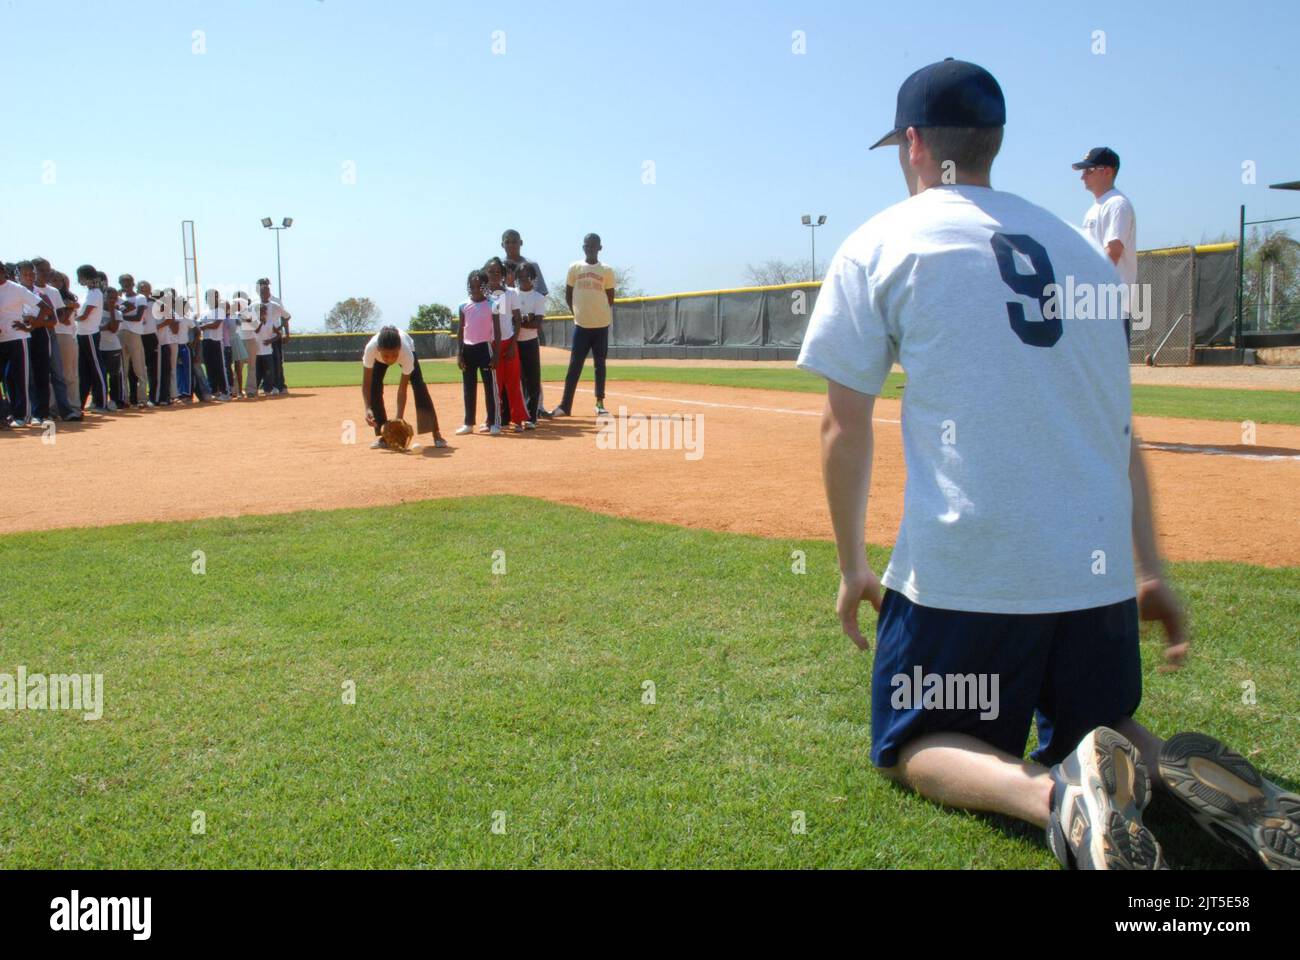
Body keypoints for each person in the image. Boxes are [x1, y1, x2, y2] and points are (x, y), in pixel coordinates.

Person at [797, 57, 1298, 871]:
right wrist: (1150, 569)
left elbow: (841, 426)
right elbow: (1120, 432)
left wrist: (854, 565)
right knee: (1099, 729)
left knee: (916, 739)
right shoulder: (1078, 247)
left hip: (974, 574)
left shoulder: (880, 242)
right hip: (1094, 581)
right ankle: (1184, 773)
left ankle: (1056, 799)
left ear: (914, 144)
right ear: (994, 142)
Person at [1074, 147, 1137, 342]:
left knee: (1109, 370)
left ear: (1107, 171)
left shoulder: (1116, 204)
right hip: (1096, 302)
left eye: (1088, 170)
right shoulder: (1098, 206)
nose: (1083, 176)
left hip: (1110, 303)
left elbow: (1114, 250)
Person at [553, 233, 615, 417]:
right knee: (574, 366)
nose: (590, 248)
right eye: (587, 245)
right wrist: (578, 313)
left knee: (599, 365)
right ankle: (565, 405)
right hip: (581, 325)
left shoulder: (607, 270)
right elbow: (568, 294)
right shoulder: (575, 268)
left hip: (601, 325)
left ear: (600, 248)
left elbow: (610, 297)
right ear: (583, 247)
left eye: (594, 245)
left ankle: (599, 403)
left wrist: (599, 313)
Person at [361, 325, 446, 450]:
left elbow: (402, 389)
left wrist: (399, 418)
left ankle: (436, 434)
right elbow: (366, 383)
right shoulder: (371, 349)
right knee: (374, 386)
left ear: (399, 348)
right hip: (378, 358)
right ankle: (383, 437)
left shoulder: (406, 352)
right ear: (378, 349)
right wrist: (368, 408)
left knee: (419, 387)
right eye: (386, 356)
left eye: (394, 355)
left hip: (407, 349)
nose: (390, 360)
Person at [0, 263, 52, 426]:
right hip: (1, 339)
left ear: (3, 272)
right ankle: (11, 413)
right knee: (7, 379)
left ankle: (23, 416)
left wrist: (32, 326)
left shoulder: (16, 289)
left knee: (20, 377)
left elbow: (46, 308)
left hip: (18, 338)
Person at [455, 269, 501, 435]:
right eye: (472, 286)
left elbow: (497, 330)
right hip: (468, 349)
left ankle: (494, 422)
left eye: (479, 286)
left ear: (485, 286)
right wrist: (459, 353)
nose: (475, 289)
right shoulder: (463, 306)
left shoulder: (493, 305)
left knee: (490, 387)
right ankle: (468, 423)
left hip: (485, 348)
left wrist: (496, 354)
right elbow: (461, 330)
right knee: (468, 387)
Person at [32, 259, 78, 421]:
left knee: (58, 374)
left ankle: (66, 411)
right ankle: (40, 411)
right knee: (38, 375)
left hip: (52, 333)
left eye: (48, 270)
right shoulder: (28, 289)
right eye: (42, 270)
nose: (46, 273)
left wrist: (69, 308)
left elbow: (60, 317)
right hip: (34, 335)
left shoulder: (53, 291)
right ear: (34, 271)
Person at [485, 257, 527, 433]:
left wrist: (512, 345)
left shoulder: (511, 293)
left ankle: (518, 420)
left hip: (509, 342)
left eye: (497, 272)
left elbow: (517, 320)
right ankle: (492, 420)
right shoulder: (483, 295)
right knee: (494, 385)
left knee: (512, 383)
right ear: (485, 273)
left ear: (503, 274)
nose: (494, 275)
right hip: (490, 344)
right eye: (490, 272)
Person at [16, 261, 57, 425]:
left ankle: (41, 412)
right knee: (23, 376)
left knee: (41, 374)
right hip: (18, 335)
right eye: (25, 274)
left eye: (32, 274)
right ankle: (22, 411)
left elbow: (53, 321)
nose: (30, 277)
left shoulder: (41, 294)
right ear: (17, 275)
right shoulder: (13, 292)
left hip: (39, 336)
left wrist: (35, 323)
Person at [73, 265, 111, 412]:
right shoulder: (88, 294)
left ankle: (102, 403)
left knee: (97, 367)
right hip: (82, 334)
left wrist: (70, 314)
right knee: (84, 369)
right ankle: (81, 403)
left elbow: (84, 316)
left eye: (81, 277)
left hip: (90, 333)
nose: (79, 280)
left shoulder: (95, 293)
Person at [515, 262, 546, 427]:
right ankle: (516, 414)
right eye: (519, 277)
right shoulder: (512, 295)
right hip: (514, 342)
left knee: (532, 380)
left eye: (526, 277)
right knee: (517, 380)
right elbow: (510, 321)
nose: (522, 281)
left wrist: (520, 321)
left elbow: (537, 324)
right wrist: (527, 318)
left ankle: (531, 417)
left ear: (533, 279)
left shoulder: (538, 298)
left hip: (530, 342)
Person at [50, 271, 82, 417]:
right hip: (53, 335)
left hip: (66, 336)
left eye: (60, 280)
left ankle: (73, 406)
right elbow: (64, 319)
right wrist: (69, 307)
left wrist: (69, 306)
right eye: (54, 280)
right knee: (54, 375)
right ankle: (54, 407)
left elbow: (65, 320)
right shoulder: (49, 296)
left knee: (69, 374)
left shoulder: (69, 298)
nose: (57, 283)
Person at [117, 274, 149, 408]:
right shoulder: (119, 298)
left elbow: (138, 317)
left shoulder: (140, 298)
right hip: (120, 333)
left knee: (139, 367)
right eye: (123, 282)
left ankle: (142, 399)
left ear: (132, 283)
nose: (126, 284)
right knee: (122, 368)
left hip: (134, 333)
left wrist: (121, 316)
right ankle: (125, 398)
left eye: (128, 282)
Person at [198, 290, 231, 400]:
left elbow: (216, 324)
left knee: (220, 367)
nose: (211, 299)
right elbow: (199, 323)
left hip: (216, 341)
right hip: (206, 340)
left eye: (214, 296)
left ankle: (225, 392)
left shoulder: (220, 310)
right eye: (209, 297)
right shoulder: (204, 311)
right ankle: (214, 391)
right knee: (209, 367)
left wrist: (204, 326)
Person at [98, 285, 127, 409]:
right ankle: (99, 400)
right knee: (100, 376)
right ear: (103, 297)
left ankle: (116, 400)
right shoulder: (96, 311)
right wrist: (105, 327)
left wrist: (111, 311)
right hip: (99, 347)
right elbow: (95, 328)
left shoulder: (117, 313)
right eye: (110, 298)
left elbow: (114, 329)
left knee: (115, 376)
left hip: (113, 347)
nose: (112, 300)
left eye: (115, 298)